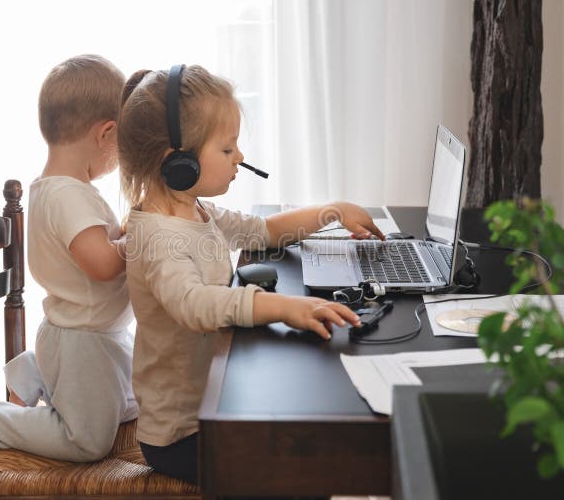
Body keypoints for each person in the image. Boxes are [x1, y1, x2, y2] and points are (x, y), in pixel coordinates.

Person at [117, 64, 384, 484]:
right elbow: (194, 305)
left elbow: (262, 231)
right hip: (180, 434)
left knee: (303, 439)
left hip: (217, 400)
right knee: (300, 468)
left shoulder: (194, 209)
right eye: (227, 149)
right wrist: (281, 306)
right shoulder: (157, 237)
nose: (239, 157)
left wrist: (332, 212)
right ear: (179, 164)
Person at [0, 54, 137, 467]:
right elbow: (102, 265)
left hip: (89, 335)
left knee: (135, 403)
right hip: (84, 343)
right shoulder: (68, 196)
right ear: (106, 133)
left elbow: (94, 251)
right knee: (88, 442)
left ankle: (36, 371)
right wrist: (140, 239)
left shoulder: (59, 189)